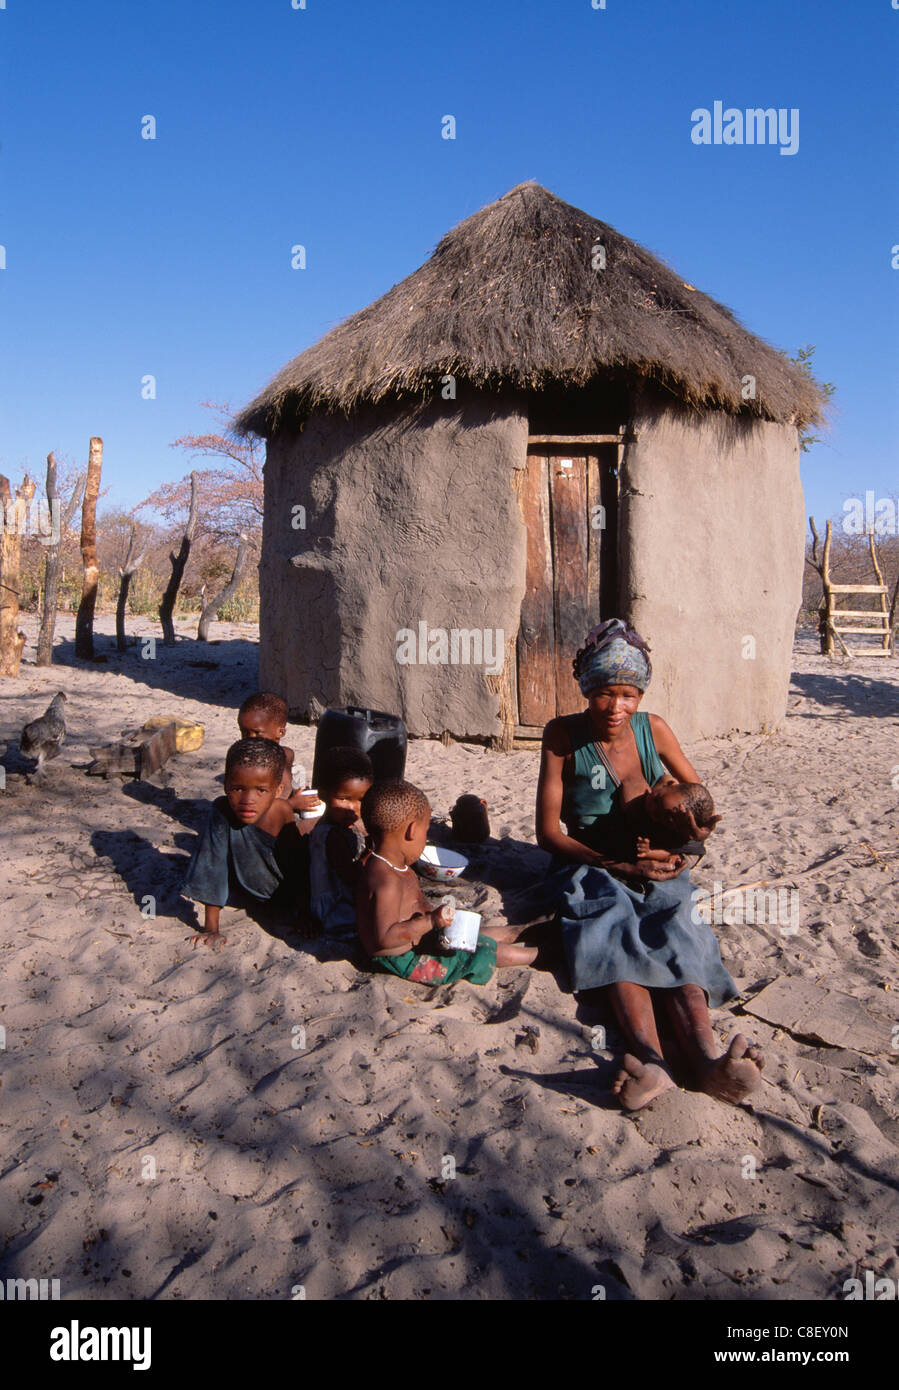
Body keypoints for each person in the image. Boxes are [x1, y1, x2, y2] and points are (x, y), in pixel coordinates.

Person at [535, 618, 763, 1110]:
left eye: (628, 695)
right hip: (591, 861)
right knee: (613, 924)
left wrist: (684, 852)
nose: (617, 707)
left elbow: (699, 805)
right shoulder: (562, 737)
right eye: (604, 694)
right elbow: (549, 833)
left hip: (655, 860)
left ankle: (706, 1058)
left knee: (679, 920)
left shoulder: (652, 728)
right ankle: (651, 1059)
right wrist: (612, 864)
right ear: (585, 687)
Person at [356, 779, 536, 984]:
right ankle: (537, 955)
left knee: (468, 934)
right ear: (412, 831)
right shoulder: (386, 880)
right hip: (404, 959)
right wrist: (430, 921)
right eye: (425, 832)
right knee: (476, 954)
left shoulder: (396, 865)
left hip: (419, 936)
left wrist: (433, 918)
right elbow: (385, 937)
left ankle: (522, 931)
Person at [183, 737, 304, 947]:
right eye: (238, 788)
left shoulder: (281, 812)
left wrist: (305, 914)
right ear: (225, 785)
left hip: (281, 895)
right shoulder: (222, 811)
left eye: (261, 790)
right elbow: (213, 864)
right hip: (243, 888)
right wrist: (212, 929)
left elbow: (300, 867)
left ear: (277, 791)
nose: (248, 800)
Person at [307, 747, 373, 936]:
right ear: (323, 795)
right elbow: (352, 877)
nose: (353, 808)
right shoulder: (332, 836)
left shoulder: (343, 826)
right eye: (343, 799)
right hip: (336, 910)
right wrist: (372, 856)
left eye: (361, 800)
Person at [237, 691, 318, 813]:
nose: (250, 738)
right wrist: (293, 804)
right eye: (244, 732)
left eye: (257, 732)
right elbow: (256, 808)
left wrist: (298, 793)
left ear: (280, 732)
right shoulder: (250, 767)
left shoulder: (286, 755)